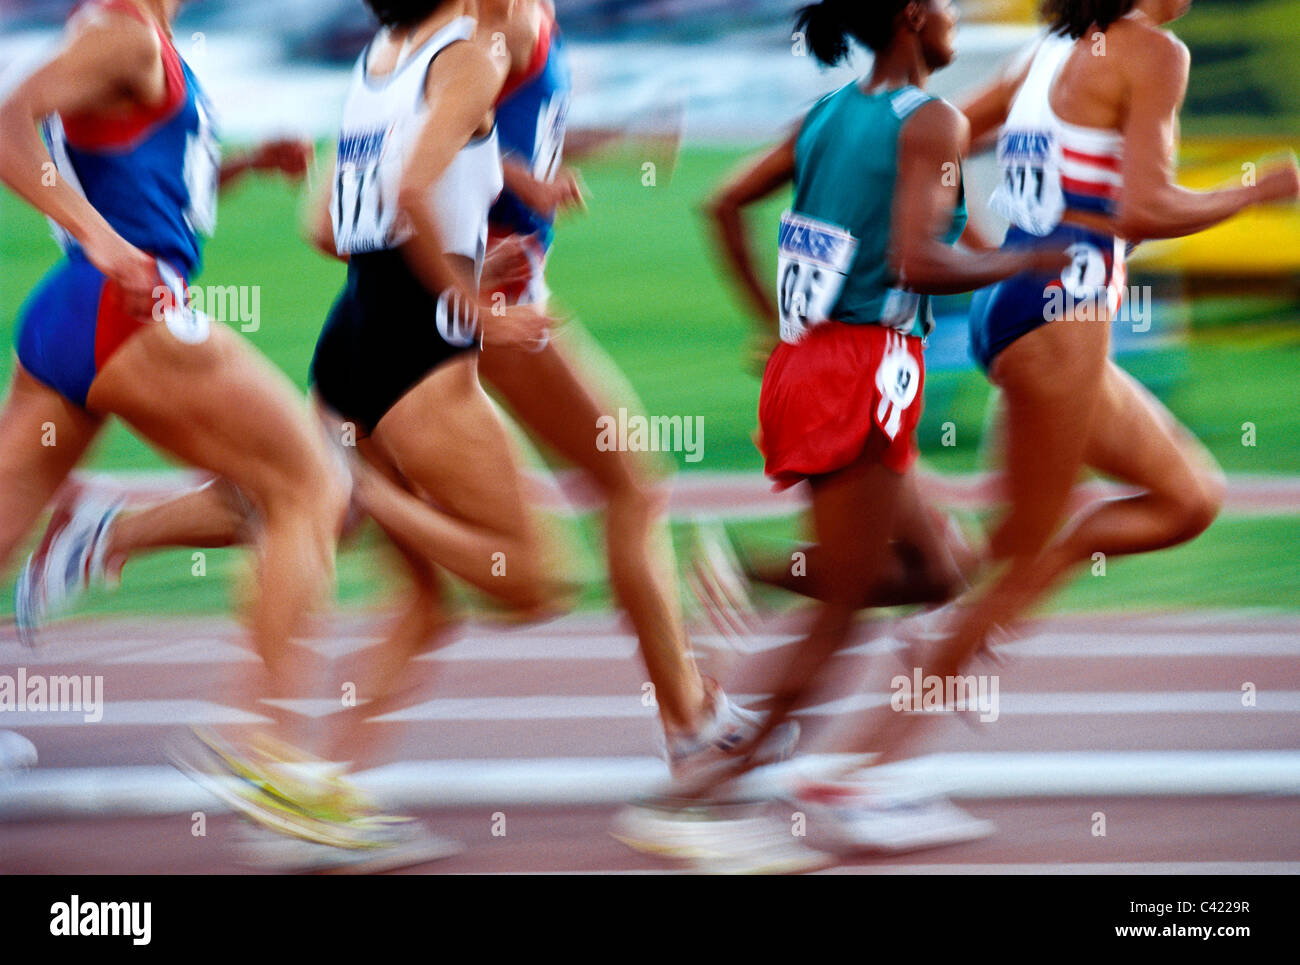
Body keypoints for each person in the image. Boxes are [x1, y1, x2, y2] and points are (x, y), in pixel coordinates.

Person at [21, 0, 798, 792]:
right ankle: (690, 722)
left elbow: (352, 206)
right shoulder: (495, 28)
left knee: (375, 552)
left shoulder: (402, 49)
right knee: (617, 496)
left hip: (379, 318)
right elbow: (414, 177)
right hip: (461, 313)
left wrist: (542, 170)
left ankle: (314, 773)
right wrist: (471, 285)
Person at [615, 0, 1072, 869]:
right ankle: (695, 801)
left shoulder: (827, 113)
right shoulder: (932, 119)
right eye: (945, 6)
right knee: (842, 615)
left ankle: (742, 564)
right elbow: (918, 263)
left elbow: (721, 204)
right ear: (909, 17)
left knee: (939, 569)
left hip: (820, 368)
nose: (957, 20)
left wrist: (776, 323)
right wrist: (1027, 260)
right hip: (859, 370)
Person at [834, 0, 1300, 789]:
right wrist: (1254, 192)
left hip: (1014, 312)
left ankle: (957, 596)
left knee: (1187, 496)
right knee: (1013, 569)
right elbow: (1144, 206)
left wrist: (978, 242)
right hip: (1061, 322)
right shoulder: (1154, 52)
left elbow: (937, 138)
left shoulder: (1049, 53)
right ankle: (854, 777)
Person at [0, 0, 349, 821]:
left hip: (74, 318)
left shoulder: (136, 40)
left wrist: (250, 167)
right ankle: (272, 754)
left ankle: (96, 535)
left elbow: (145, 185)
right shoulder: (121, 32)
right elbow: (9, 122)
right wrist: (101, 240)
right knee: (312, 486)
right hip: (123, 306)